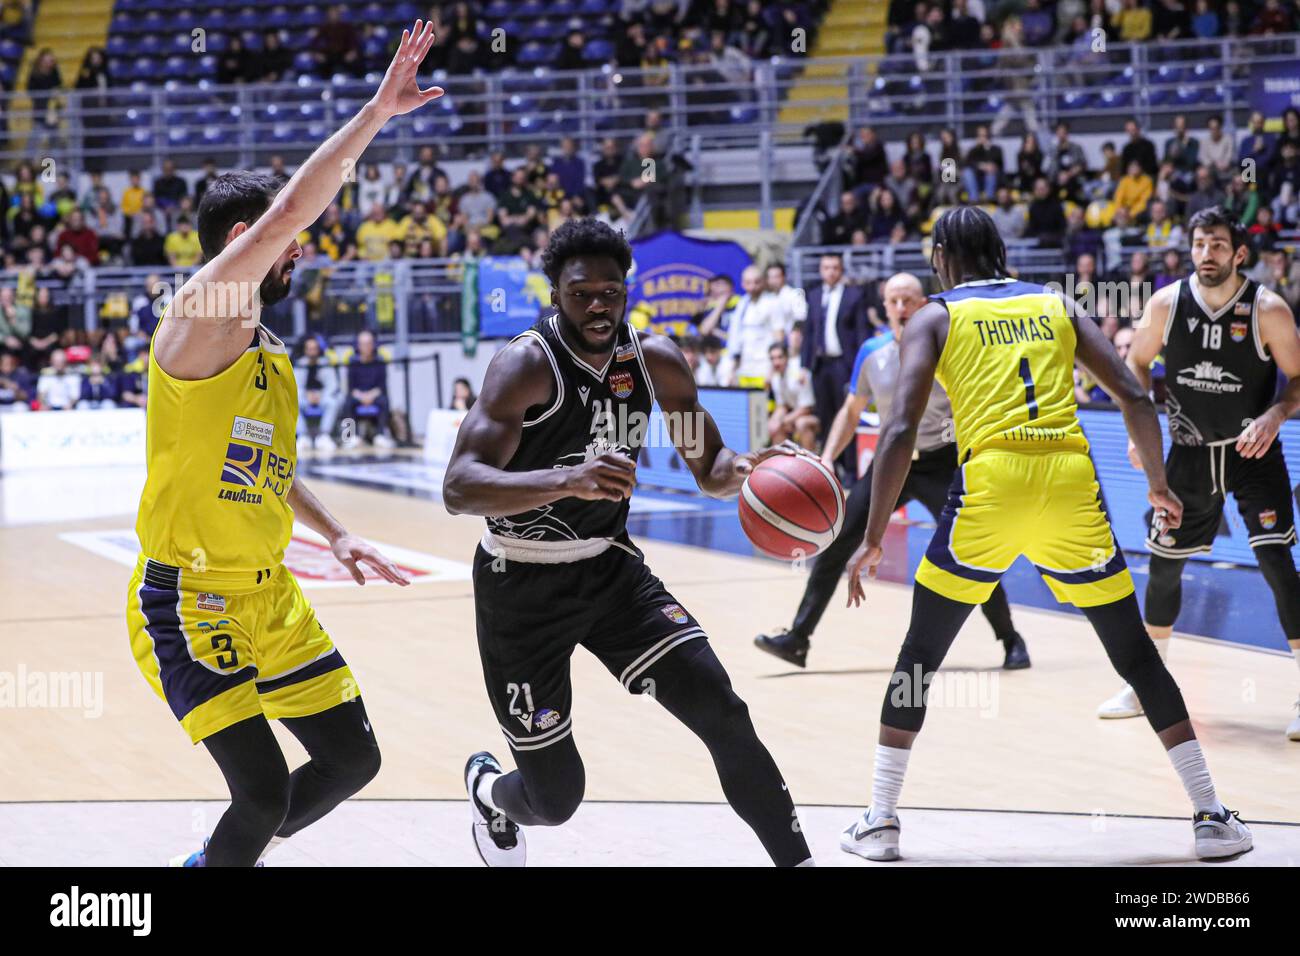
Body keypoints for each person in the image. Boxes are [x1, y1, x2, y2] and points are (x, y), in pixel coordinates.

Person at [838, 205, 1251, 863]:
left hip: (992, 484)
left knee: (920, 652)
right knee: (1134, 653)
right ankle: (1209, 815)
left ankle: (881, 820)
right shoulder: (1056, 302)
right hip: (1067, 480)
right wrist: (1158, 488)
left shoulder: (934, 315)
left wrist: (871, 532)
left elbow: (897, 431)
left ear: (942, 255)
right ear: (999, 250)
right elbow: (1134, 395)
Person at [126, 21, 438, 868]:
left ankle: (224, 856)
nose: (300, 244)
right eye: (282, 236)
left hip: (271, 594)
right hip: (191, 599)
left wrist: (336, 531)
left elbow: (274, 471)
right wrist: (377, 110)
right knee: (259, 791)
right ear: (241, 243)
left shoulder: (267, 353)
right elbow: (297, 204)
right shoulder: (198, 317)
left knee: (352, 759)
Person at [443, 217, 814, 868]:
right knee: (556, 797)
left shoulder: (657, 360)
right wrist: (570, 478)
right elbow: (459, 487)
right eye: (582, 292)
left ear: (627, 291)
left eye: (610, 292)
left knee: (723, 710)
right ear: (556, 291)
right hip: (521, 584)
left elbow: (710, 467)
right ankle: (488, 791)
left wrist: (753, 472)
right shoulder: (524, 366)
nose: (597, 306)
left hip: (612, 573)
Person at [755, 272, 1030, 671]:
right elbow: (851, 411)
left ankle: (1011, 640)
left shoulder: (948, 348)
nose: (901, 308)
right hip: (892, 462)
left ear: (923, 305)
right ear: (884, 307)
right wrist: (828, 457)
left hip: (942, 461)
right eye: (893, 301)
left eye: (908, 300)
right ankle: (797, 639)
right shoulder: (872, 351)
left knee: (972, 551)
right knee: (838, 541)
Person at [1096, 207, 1300, 739]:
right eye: (1199, 244)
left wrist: (1277, 414)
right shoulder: (1166, 304)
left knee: (1276, 561)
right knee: (1163, 565)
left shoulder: (1268, 309)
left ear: (1238, 253)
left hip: (1251, 453)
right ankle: (1147, 685)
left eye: (1216, 246)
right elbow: (1133, 366)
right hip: (1186, 452)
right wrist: (1141, 432)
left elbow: (1298, 377)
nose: (1206, 254)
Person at [801, 253, 870, 465]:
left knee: (847, 416)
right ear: (821, 270)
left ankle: (850, 470)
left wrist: (860, 367)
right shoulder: (813, 295)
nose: (830, 271)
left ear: (841, 270)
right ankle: (831, 467)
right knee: (825, 416)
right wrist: (804, 366)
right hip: (820, 365)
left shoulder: (854, 295)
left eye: (835, 267)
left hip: (844, 364)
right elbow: (809, 333)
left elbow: (861, 333)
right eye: (826, 267)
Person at [766, 341, 817, 449]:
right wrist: (774, 421)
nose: (776, 362)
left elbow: (807, 408)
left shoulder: (799, 373)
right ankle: (780, 463)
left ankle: (810, 462)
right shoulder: (776, 377)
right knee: (776, 426)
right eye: (772, 358)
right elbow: (782, 406)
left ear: (787, 357)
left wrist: (784, 420)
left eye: (780, 357)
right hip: (795, 414)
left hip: (816, 415)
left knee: (801, 423)